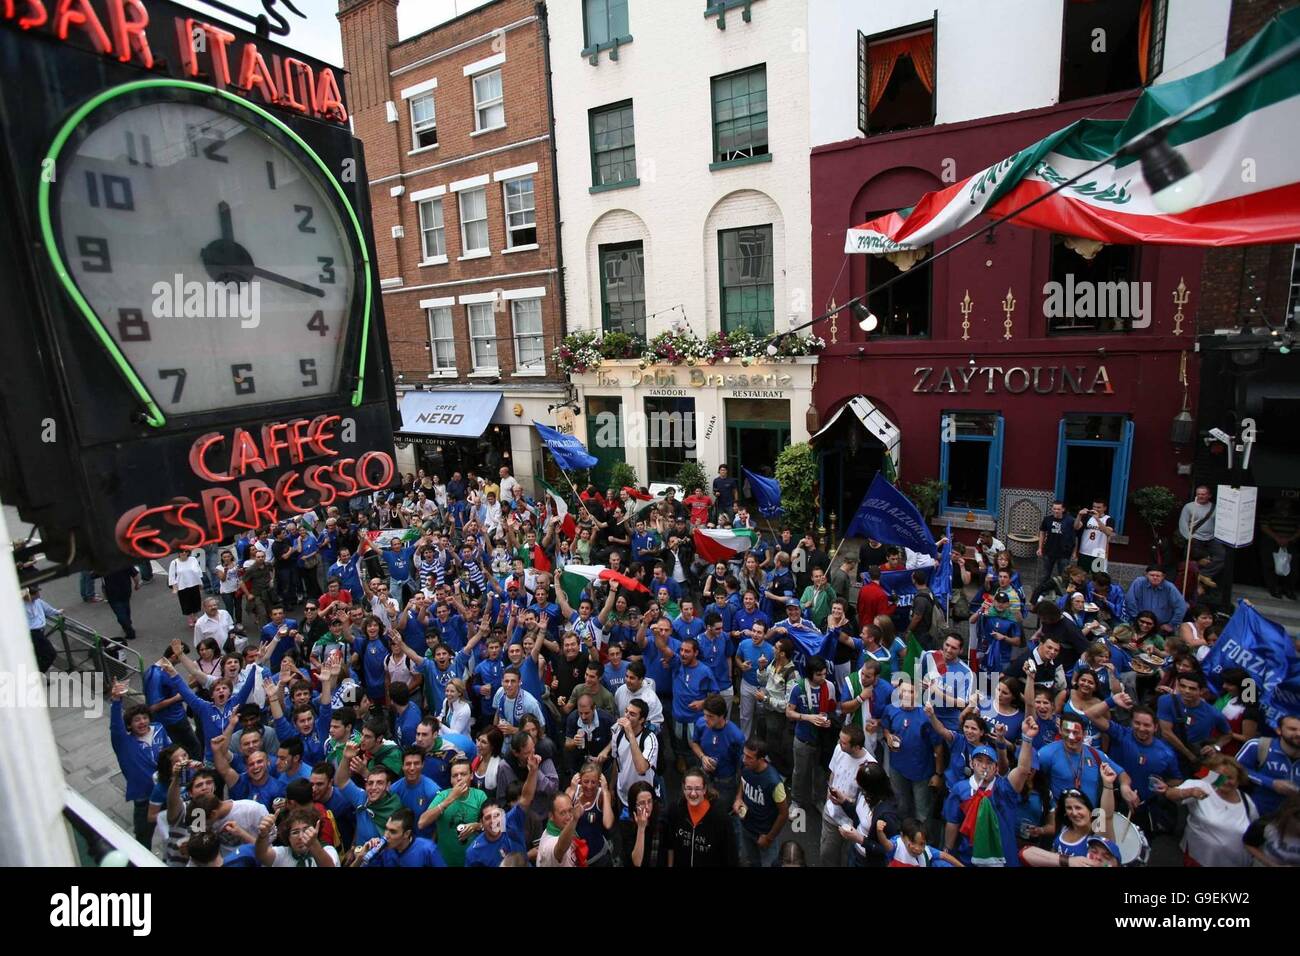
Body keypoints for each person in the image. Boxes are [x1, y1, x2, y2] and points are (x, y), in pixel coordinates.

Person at [1155, 753, 1257, 866]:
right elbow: (1170, 794)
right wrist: (1190, 792)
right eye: (1220, 777)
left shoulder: (1246, 800)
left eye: (1230, 778)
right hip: (1200, 860)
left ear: (1238, 779)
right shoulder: (1201, 786)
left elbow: (1253, 829)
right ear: (1213, 775)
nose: (1225, 781)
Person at [108, 680, 171, 846]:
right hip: (144, 797)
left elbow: (171, 752)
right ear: (129, 725)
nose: (142, 722)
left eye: (144, 718)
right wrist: (116, 700)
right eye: (137, 720)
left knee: (179, 828)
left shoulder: (159, 728)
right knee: (143, 837)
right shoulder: (123, 742)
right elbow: (115, 726)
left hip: (167, 790)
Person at [1156, 670, 1231, 777]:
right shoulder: (1165, 701)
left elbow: (1228, 734)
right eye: (1183, 686)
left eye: (1192, 688)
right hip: (1165, 754)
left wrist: (1216, 747)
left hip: (1191, 762)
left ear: (1202, 691)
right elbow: (1166, 733)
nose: (1186, 691)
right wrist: (1189, 755)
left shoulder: (1213, 714)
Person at [818, 724, 873, 867]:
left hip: (853, 824)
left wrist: (845, 800)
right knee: (827, 855)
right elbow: (833, 774)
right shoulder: (838, 750)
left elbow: (869, 803)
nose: (839, 744)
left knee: (848, 860)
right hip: (831, 815)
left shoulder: (870, 766)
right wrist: (827, 800)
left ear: (856, 747)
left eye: (844, 743)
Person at [665, 768, 736, 867]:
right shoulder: (675, 811)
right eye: (689, 788)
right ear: (683, 788)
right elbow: (670, 845)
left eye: (697, 789)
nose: (693, 794)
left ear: (704, 789)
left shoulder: (721, 819)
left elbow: (730, 857)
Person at [1235, 714, 1300, 818]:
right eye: (1292, 729)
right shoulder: (1257, 746)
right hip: (1253, 814)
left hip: (1290, 822)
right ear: (1279, 730)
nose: (1298, 733)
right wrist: (1271, 783)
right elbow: (1235, 770)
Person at [356, 807, 446, 867]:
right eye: (386, 829)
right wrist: (363, 856)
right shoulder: (381, 850)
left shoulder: (427, 850)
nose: (386, 835)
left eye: (393, 831)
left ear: (406, 834)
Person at [254, 810, 338, 867]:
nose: (301, 837)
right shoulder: (284, 853)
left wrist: (314, 843)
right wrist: (263, 835)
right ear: (288, 838)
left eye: (306, 830)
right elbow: (262, 855)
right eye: (295, 832)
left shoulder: (327, 850)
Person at [876, 816, 963, 867]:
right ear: (902, 836)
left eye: (922, 844)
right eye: (912, 842)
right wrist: (880, 832)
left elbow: (944, 856)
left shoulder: (926, 851)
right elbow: (886, 844)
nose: (918, 848)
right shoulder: (897, 845)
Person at [1033, 500, 1078, 602]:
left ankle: (1062, 596)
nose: (1056, 511)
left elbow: (1075, 537)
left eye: (1058, 509)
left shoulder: (1070, 520)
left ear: (1063, 509)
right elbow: (1042, 533)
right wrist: (1040, 548)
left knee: (1064, 576)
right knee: (1045, 575)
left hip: (1064, 553)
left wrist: (1075, 552)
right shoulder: (1047, 519)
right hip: (1049, 551)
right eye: (1054, 509)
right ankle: (1041, 594)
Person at [1126, 566, 1189, 635]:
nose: (1155, 577)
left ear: (1163, 576)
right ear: (1146, 575)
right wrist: (1135, 618)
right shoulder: (1139, 582)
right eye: (1152, 575)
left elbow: (1181, 606)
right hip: (1140, 624)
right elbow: (1130, 600)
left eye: (1158, 576)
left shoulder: (1169, 587)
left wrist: (1172, 624)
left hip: (1160, 628)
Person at [1259, 498, 1300, 599]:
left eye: (1286, 502)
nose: (1284, 504)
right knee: (1270, 566)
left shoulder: (1295, 515)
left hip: (1290, 542)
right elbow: (1264, 526)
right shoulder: (1269, 513)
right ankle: (1274, 588)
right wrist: (1277, 538)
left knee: (1292, 567)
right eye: (1281, 502)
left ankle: (1289, 589)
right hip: (1272, 542)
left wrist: (1289, 539)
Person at [23, 585, 60, 672]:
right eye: (36, 594)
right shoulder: (21, 606)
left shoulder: (37, 601)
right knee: (50, 654)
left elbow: (47, 609)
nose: (38, 595)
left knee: (38, 656)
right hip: (33, 633)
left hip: (38, 632)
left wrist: (57, 612)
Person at [169, 548, 207, 628]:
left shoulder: (193, 559)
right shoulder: (174, 562)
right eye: (181, 552)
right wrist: (174, 587)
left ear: (188, 552)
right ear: (178, 553)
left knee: (196, 601)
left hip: (194, 584)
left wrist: (200, 582)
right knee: (186, 603)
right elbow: (172, 575)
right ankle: (190, 618)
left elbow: (198, 571)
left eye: (185, 551)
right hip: (182, 586)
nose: (183, 553)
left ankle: (195, 616)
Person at [1074, 499, 1114, 574]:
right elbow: (1076, 527)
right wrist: (1079, 515)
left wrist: (1097, 519)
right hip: (1084, 552)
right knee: (1080, 576)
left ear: (1104, 508)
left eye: (1099, 507)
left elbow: (1108, 532)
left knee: (1097, 577)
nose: (1095, 509)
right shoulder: (1087, 518)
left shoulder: (1109, 519)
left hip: (1099, 554)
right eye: (1094, 507)